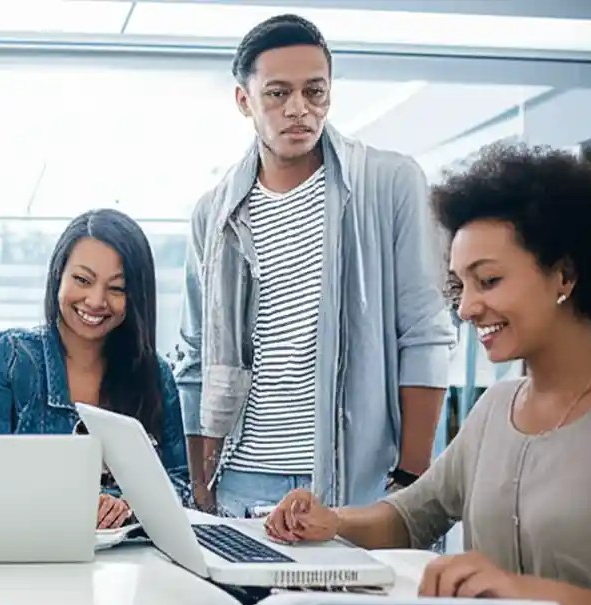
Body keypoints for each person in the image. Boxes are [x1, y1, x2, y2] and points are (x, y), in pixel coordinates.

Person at [266, 144, 591, 605]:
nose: (467, 308)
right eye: (460, 286)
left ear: (564, 275)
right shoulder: (496, 408)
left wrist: (527, 596)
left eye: (490, 280)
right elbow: (411, 517)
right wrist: (332, 522)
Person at [174, 14, 455, 518]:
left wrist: (410, 478)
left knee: (353, 600)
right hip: (241, 483)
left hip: (359, 483)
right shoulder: (213, 213)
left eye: (314, 92)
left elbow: (426, 334)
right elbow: (195, 356)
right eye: (278, 94)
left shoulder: (389, 183)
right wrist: (202, 485)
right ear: (245, 101)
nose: (298, 109)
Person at [0, 209, 189, 529]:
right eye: (83, 280)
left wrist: (127, 505)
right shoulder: (9, 357)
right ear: (58, 275)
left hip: (127, 564)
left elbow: (180, 485)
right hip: (28, 548)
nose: (96, 301)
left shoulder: (155, 375)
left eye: (117, 288)